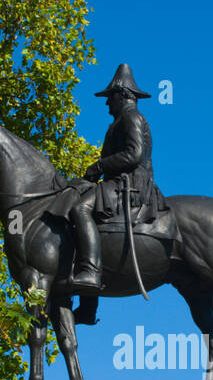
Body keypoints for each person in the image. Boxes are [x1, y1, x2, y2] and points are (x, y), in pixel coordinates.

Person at [68, 63, 167, 291]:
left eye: (110, 98)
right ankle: (88, 301)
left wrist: (99, 166)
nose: (106, 103)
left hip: (130, 184)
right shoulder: (119, 121)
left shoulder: (131, 117)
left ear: (122, 96)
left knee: (80, 209)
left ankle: (91, 272)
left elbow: (134, 154)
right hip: (118, 182)